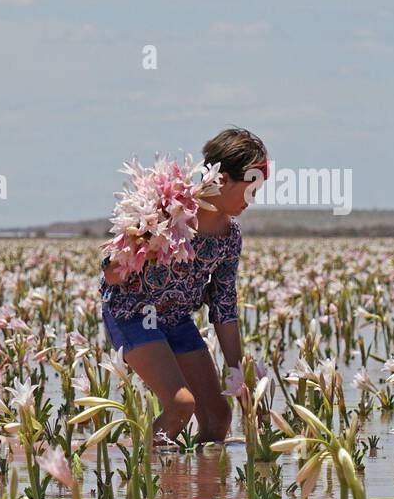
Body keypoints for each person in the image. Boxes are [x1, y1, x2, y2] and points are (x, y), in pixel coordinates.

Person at [99, 127, 268, 446]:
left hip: (176, 320)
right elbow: (111, 275)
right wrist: (139, 240)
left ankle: (195, 493)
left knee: (218, 419)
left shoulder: (230, 237)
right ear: (222, 180)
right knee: (180, 405)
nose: (253, 200)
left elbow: (224, 307)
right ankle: (142, 485)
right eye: (250, 189)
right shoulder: (166, 210)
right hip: (133, 314)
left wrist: (237, 376)